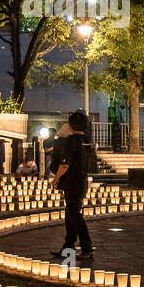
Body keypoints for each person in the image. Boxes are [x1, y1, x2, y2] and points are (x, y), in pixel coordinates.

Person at [50, 111, 93, 263]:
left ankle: (86, 248)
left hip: (72, 182)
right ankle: (68, 247)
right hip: (81, 181)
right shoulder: (85, 141)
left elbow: (64, 164)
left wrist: (56, 178)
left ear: (71, 125)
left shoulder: (71, 141)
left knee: (74, 214)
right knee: (70, 213)